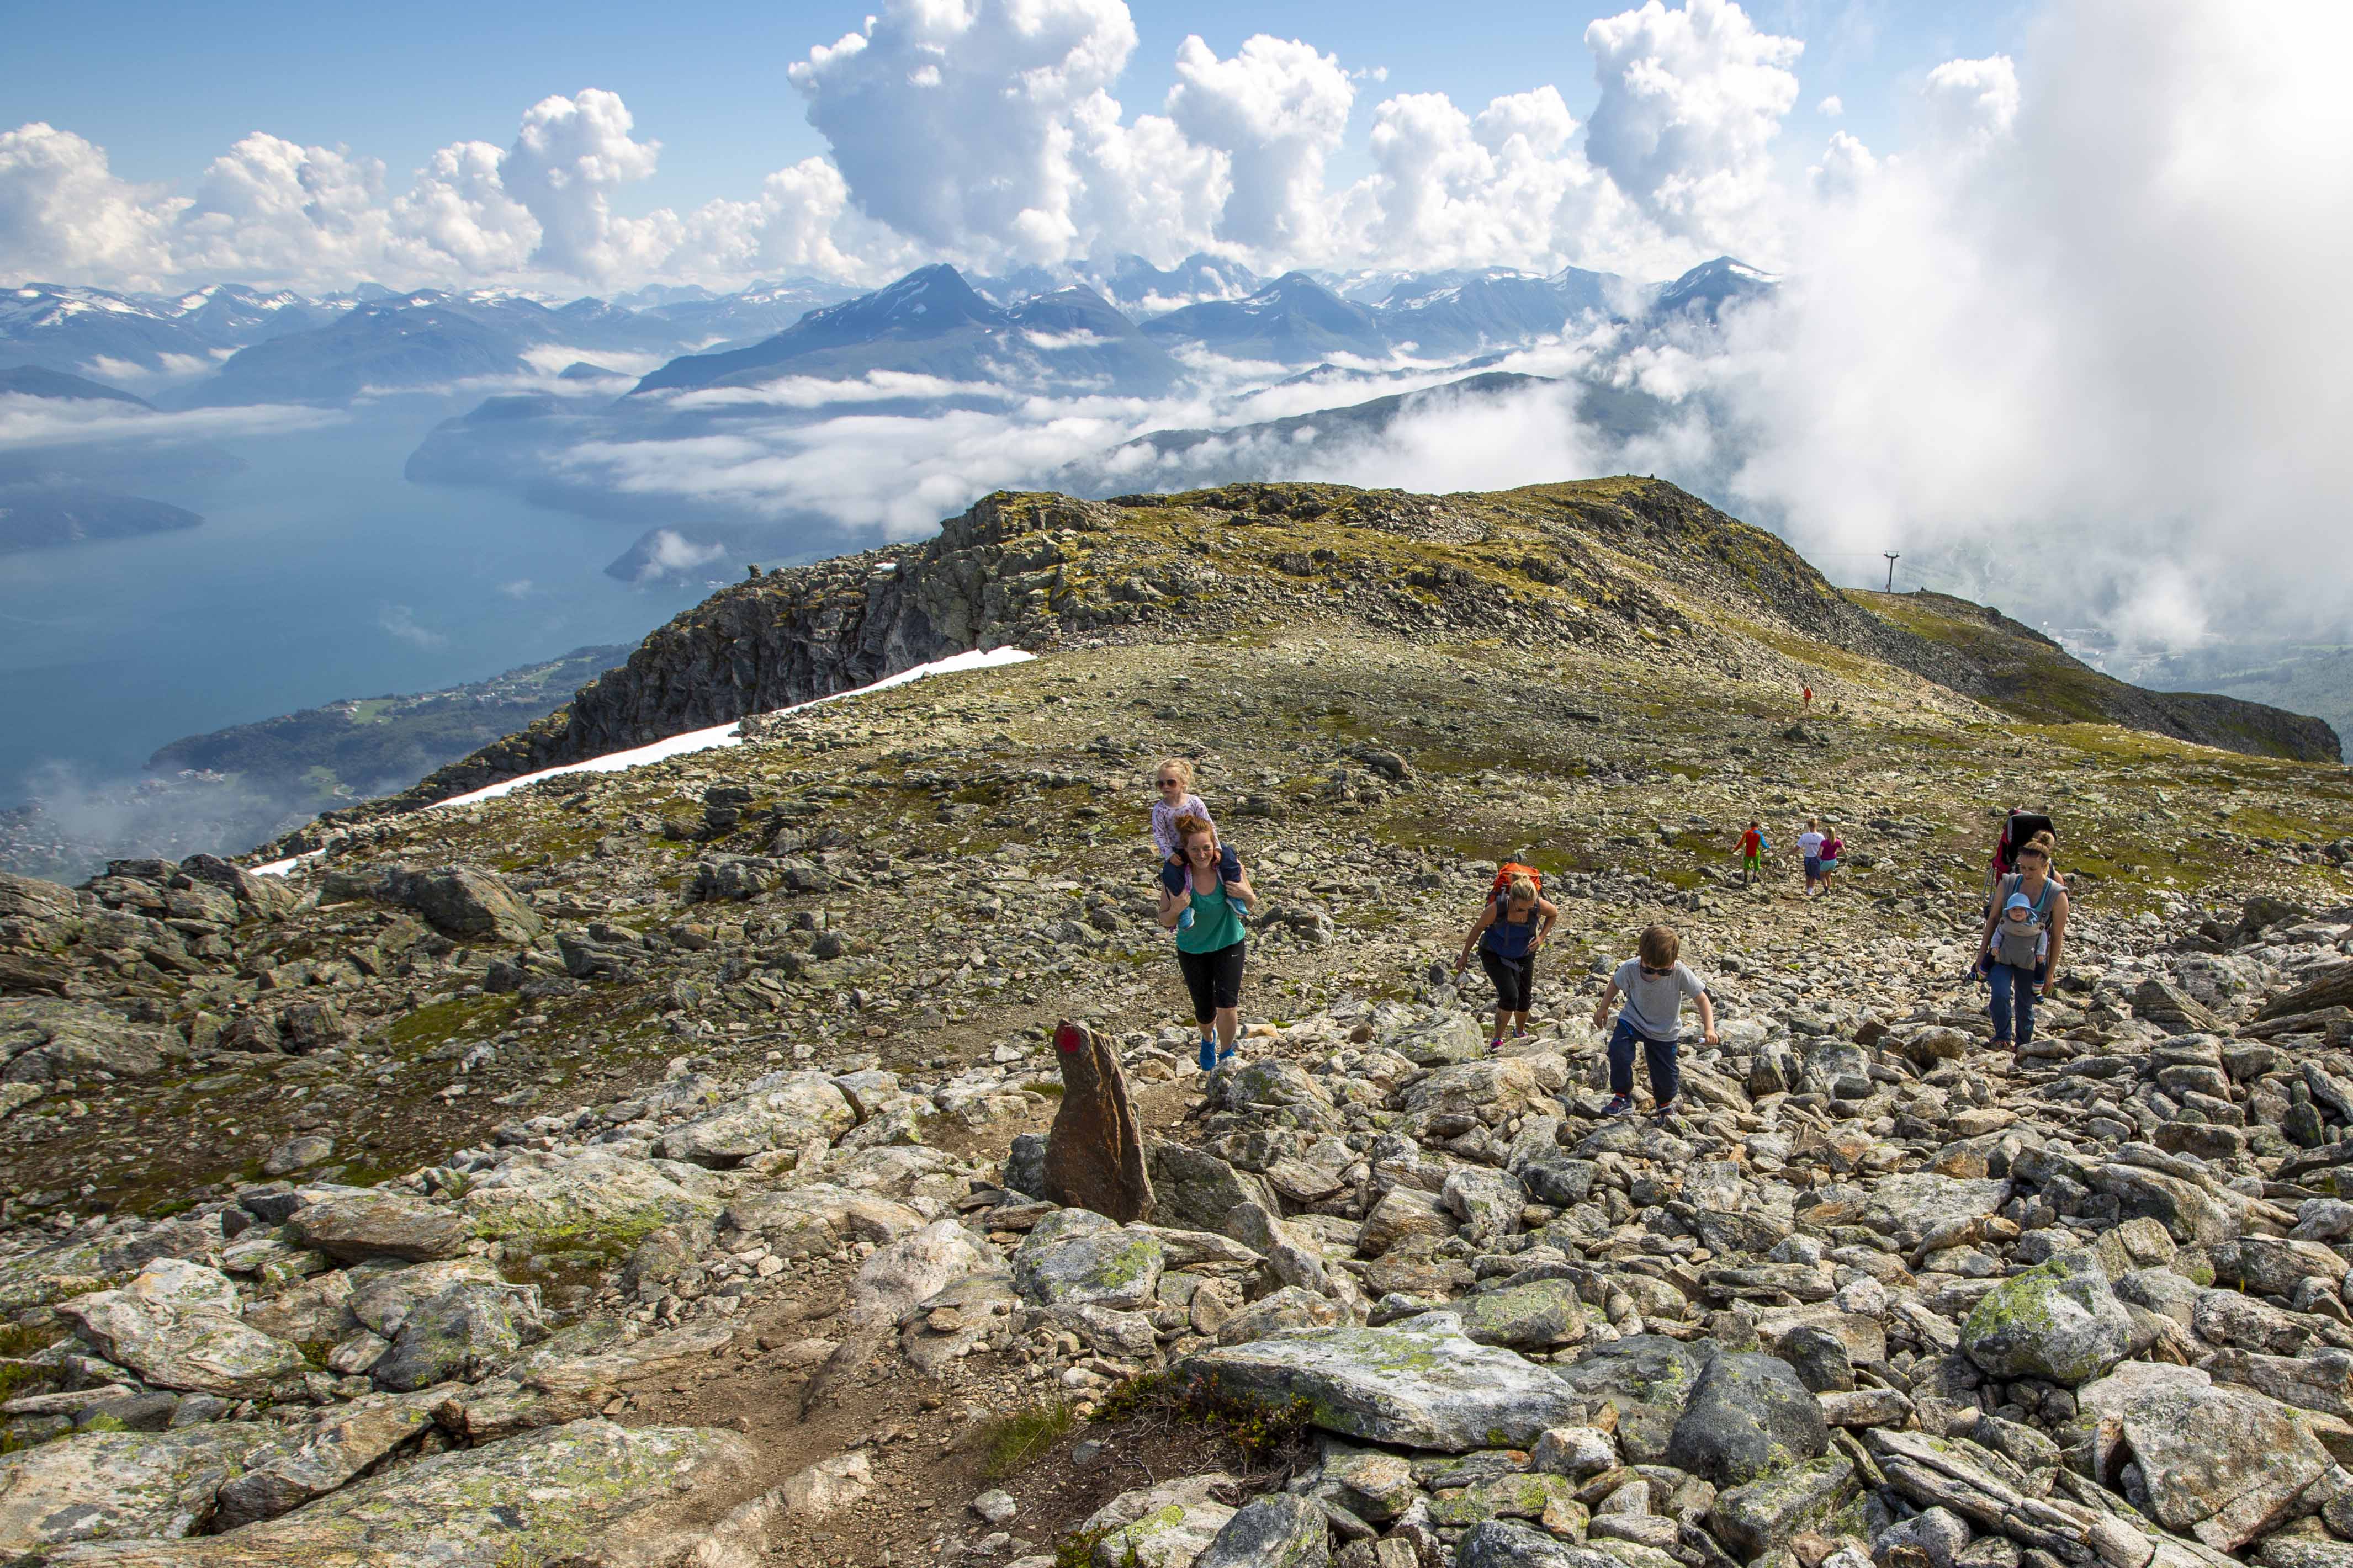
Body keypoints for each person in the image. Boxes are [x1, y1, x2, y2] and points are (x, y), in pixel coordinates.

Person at [1159, 814, 1259, 1072]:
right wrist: (1177, 908)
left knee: (1228, 1004)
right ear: (1185, 850)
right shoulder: (1178, 878)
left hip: (1229, 942)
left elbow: (1251, 903)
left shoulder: (1227, 868)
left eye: (1206, 847)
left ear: (1214, 845)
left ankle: (1227, 1055)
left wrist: (1246, 894)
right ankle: (1207, 1038)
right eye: (1194, 849)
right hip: (1193, 950)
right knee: (1205, 1013)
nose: (1202, 854)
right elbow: (1164, 918)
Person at [1589, 924, 1717, 1117]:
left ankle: (1664, 1104)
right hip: (1633, 1019)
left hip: (1665, 1030)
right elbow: (1615, 983)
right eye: (1649, 970)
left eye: (1664, 972)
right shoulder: (1631, 968)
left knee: (1665, 1075)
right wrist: (1603, 1008)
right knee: (1618, 1051)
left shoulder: (1680, 972)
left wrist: (1710, 1029)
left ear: (1674, 960)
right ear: (1641, 956)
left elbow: (1702, 999)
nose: (1656, 975)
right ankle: (1622, 1097)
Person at [1972, 830, 2069, 1049]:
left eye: (2032, 869)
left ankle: (2023, 1045)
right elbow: (1993, 919)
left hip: (2031, 959)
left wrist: (2050, 972)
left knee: (2025, 1004)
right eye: (2022, 867)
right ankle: (2002, 1037)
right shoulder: (2008, 883)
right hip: (2002, 953)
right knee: (1999, 994)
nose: (2025, 873)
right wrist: (1982, 954)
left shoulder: (2057, 895)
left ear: (2046, 866)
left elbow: (2056, 936)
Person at [1454, 873, 1557, 1051]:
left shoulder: (1537, 905)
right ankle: (1497, 1039)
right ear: (1512, 899)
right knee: (1510, 995)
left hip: (1523, 953)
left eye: (1530, 907)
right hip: (1494, 954)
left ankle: (1520, 1033)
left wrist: (1541, 937)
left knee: (1524, 997)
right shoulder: (1497, 908)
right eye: (1521, 908)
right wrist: (1464, 956)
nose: (1525, 912)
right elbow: (1477, 929)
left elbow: (1554, 913)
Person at [1150, 758, 1237, 931]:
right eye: (1160, 784)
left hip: (1202, 845)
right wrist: (1169, 854)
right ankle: (1184, 909)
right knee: (1170, 874)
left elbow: (1209, 825)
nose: (1165, 787)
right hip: (1179, 850)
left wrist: (1216, 847)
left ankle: (1234, 892)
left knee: (1229, 856)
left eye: (1171, 783)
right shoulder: (1159, 809)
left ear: (1183, 783)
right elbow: (1159, 834)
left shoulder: (1194, 802)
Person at [1986, 807, 2056, 901]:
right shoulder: (2054, 880)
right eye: (2023, 868)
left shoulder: (2010, 881)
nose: (2027, 874)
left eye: (2032, 869)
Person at [1796, 817, 1826, 896]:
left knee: (1808, 874)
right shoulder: (1821, 836)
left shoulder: (1804, 836)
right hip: (1817, 857)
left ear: (1809, 826)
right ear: (1817, 825)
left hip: (1807, 857)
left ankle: (1808, 889)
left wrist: (1788, 854)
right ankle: (1810, 891)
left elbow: (1798, 847)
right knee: (1814, 875)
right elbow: (1824, 847)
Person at [1736, 820, 1767, 887]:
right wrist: (1768, 847)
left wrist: (1735, 849)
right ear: (1758, 826)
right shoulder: (1759, 834)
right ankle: (1754, 879)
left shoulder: (1747, 833)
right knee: (1757, 866)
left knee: (1746, 865)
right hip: (1756, 853)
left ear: (1751, 826)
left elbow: (1741, 843)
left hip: (1748, 852)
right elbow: (1763, 844)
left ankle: (1746, 879)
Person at [1817, 823, 1845, 892]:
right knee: (1828, 876)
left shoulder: (1824, 842)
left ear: (1828, 833)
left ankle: (1826, 890)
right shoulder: (1838, 841)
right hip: (1833, 861)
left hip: (1825, 861)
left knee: (1822, 876)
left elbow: (1820, 853)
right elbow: (1844, 851)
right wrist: (1837, 853)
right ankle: (1828, 889)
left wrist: (1818, 857)